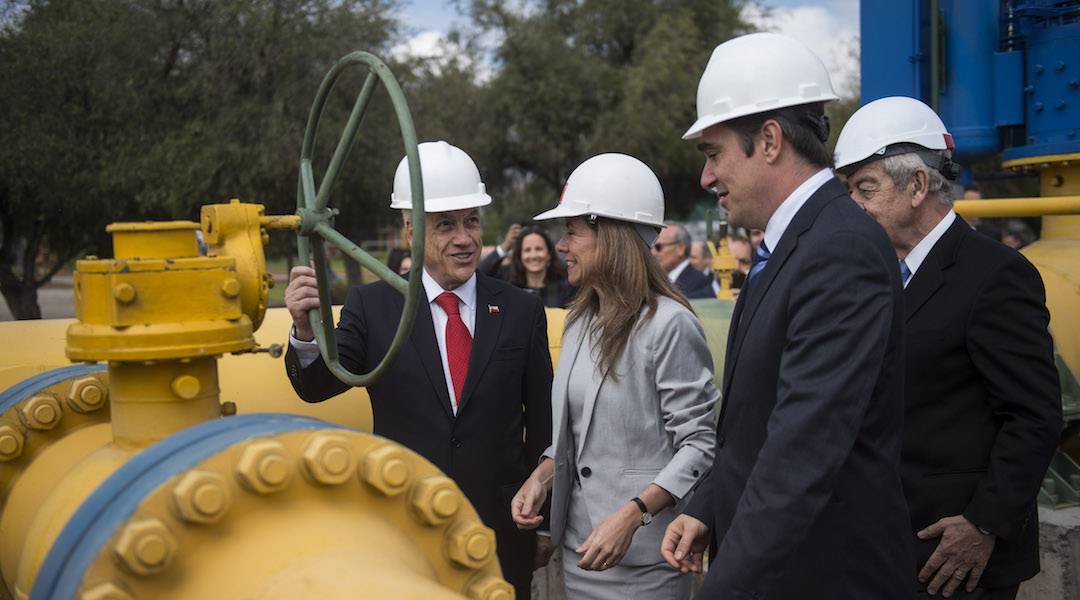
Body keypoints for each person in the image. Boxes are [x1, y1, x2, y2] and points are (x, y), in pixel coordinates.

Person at [660, 32, 913, 599]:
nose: (707, 178)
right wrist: (707, 506)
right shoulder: (797, 244)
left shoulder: (839, 247)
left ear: (769, 140)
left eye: (713, 152)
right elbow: (756, 418)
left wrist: (724, 589)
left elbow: (802, 449)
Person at [282, 141, 553, 599]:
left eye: (471, 221)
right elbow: (317, 385)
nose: (464, 237)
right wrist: (305, 329)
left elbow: (544, 422)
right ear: (410, 230)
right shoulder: (373, 306)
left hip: (502, 532)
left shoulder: (520, 309)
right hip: (405, 527)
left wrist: (545, 525)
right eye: (445, 224)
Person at [835, 96, 1062, 600]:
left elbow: (1034, 415)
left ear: (916, 185)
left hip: (955, 562)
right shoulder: (877, 276)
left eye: (865, 188)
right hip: (884, 547)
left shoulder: (996, 275)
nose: (855, 205)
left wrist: (983, 524)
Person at [511, 153, 717, 599]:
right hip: (581, 554)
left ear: (612, 236)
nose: (561, 246)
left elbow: (700, 444)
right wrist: (542, 477)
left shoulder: (669, 324)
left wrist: (633, 513)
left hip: (644, 566)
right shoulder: (580, 321)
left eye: (572, 232)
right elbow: (579, 435)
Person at [507, 225, 575, 308]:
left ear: (549, 254)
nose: (533, 255)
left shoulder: (567, 289)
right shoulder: (510, 290)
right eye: (527, 250)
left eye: (539, 249)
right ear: (519, 255)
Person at [651, 223, 714, 299]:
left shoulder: (699, 283)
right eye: (651, 247)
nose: (653, 252)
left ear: (681, 248)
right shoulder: (657, 279)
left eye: (659, 247)